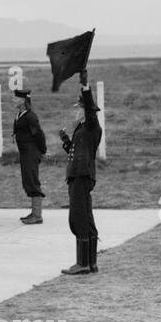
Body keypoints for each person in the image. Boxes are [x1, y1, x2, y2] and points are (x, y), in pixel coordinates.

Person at [60, 72, 102, 275]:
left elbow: (90, 108)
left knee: (78, 216)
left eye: (79, 108)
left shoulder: (92, 125)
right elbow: (77, 151)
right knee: (85, 216)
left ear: (87, 110)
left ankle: (82, 263)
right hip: (78, 174)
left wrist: (85, 87)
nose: (76, 111)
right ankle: (91, 263)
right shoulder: (82, 128)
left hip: (82, 176)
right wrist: (67, 142)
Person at [12, 90, 48, 224]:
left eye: (16, 99)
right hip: (25, 153)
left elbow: (38, 134)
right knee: (27, 180)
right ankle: (34, 212)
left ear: (22, 101)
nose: (13, 100)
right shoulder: (20, 114)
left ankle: (37, 215)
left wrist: (43, 150)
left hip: (31, 153)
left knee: (32, 180)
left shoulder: (30, 116)